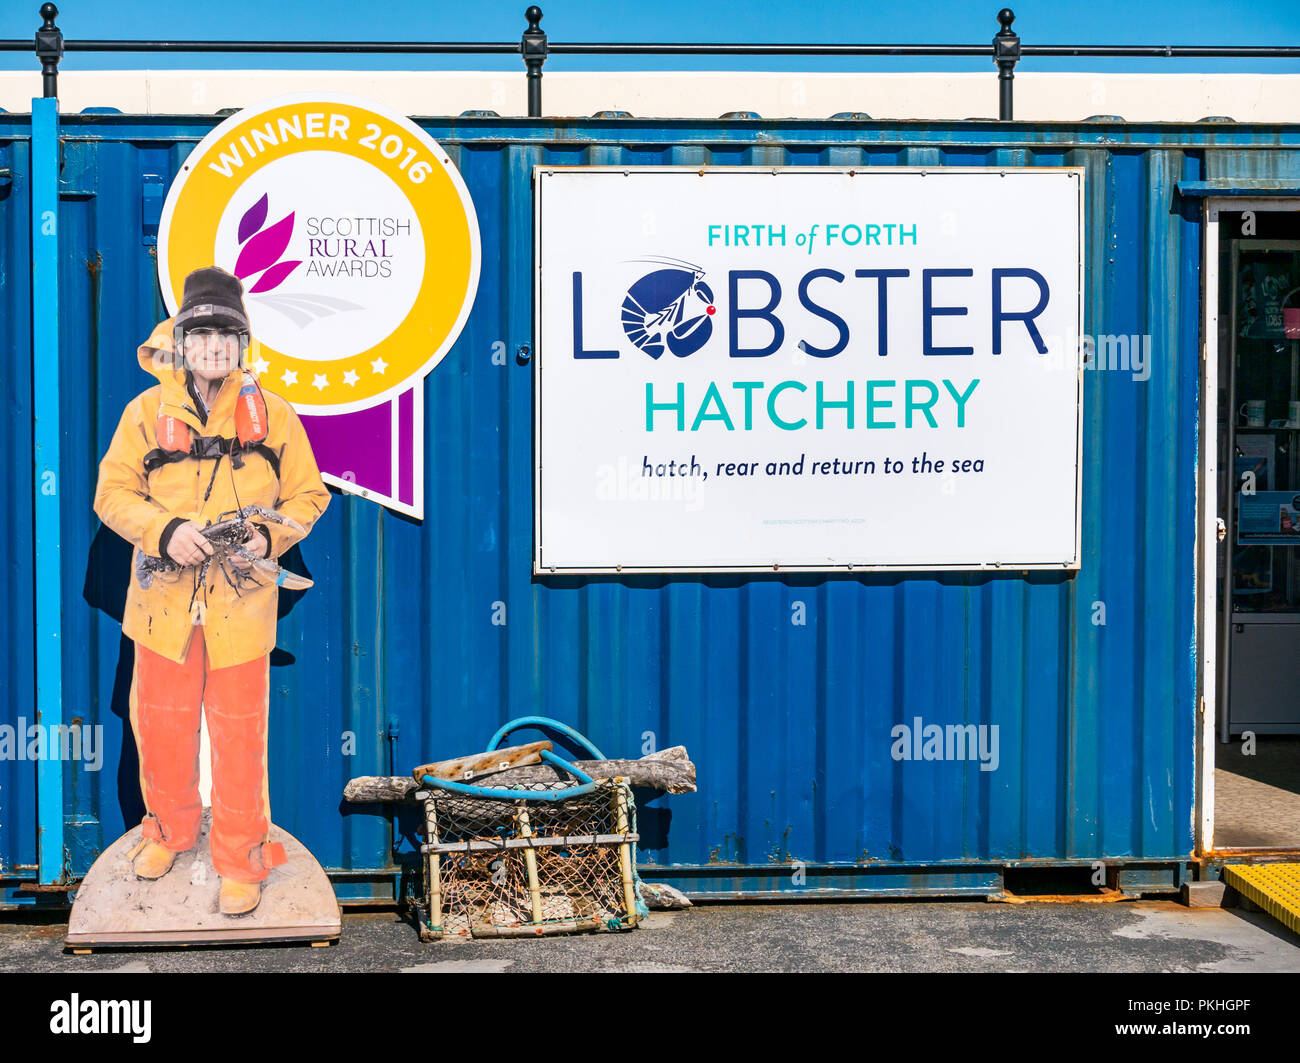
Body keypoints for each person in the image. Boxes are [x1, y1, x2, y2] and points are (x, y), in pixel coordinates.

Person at [93, 266, 330, 916]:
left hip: (241, 607)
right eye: (204, 333)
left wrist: (267, 538)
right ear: (182, 340)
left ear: (242, 342)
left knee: (238, 736)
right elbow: (112, 494)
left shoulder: (273, 416)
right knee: (161, 729)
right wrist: (164, 531)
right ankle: (167, 831)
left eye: (229, 334)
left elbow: (310, 494)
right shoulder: (145, 415)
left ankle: (240, 860)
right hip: (161, 608)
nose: (216, 346)